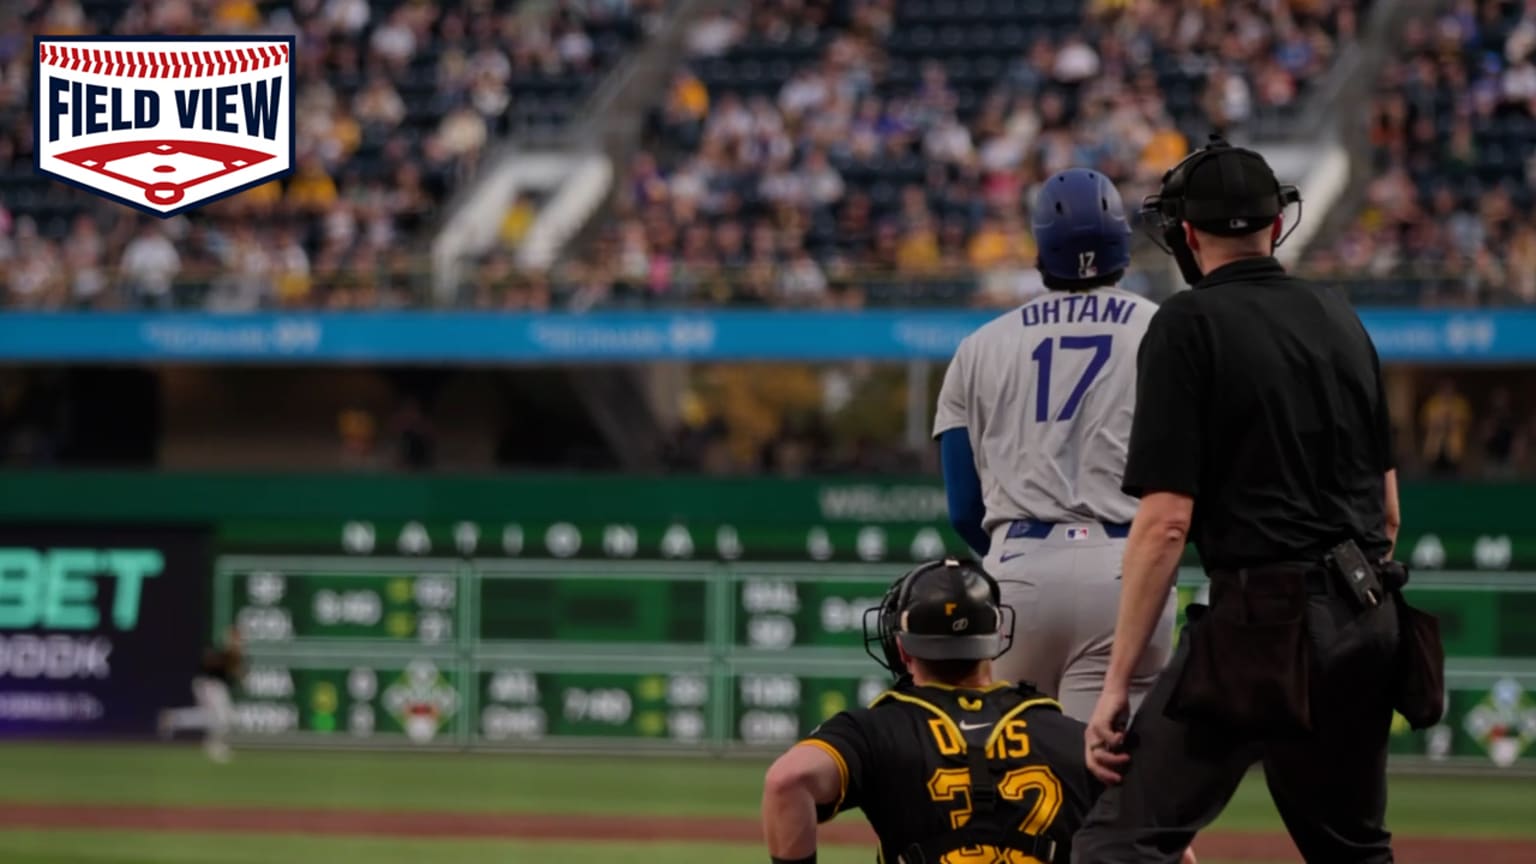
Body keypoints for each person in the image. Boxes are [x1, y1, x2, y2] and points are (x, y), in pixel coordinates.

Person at [1075, 135, 1416, 863]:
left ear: (1186, 234)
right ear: (1276, 223)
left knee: (1116, 845)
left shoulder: (1187, 324)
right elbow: (1387, 511)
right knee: (1353, 852)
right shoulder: (1341, 318)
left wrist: (1115, 686)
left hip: (1259, 623)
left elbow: (1166, 524)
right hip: (1368, 614)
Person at [932, 168, 1174, 721]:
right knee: (1106, 783)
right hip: (1127, 564)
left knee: (1014, 778)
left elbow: (965, 508)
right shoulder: (1165, 329)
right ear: (1121, 243)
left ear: (1043, 246)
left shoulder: (980, 344)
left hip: (1019, 563)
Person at [760, 558, 1198, 864]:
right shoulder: (1073, 737)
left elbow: (787, 781)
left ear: (902, 648)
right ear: (995, 638)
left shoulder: (876, 729)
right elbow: (1171, 851)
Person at [158, 627, 243, 763]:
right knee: (223, 717)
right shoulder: (224, 652)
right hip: (209, 685)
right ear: (229, 638)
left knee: (208, 717)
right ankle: (213, 747)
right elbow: (211, 665)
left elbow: (234, 675)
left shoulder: (233, 653)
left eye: (239, 638)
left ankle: (172, 718)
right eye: (235, 638)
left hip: (214, 686)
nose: (238, 641)